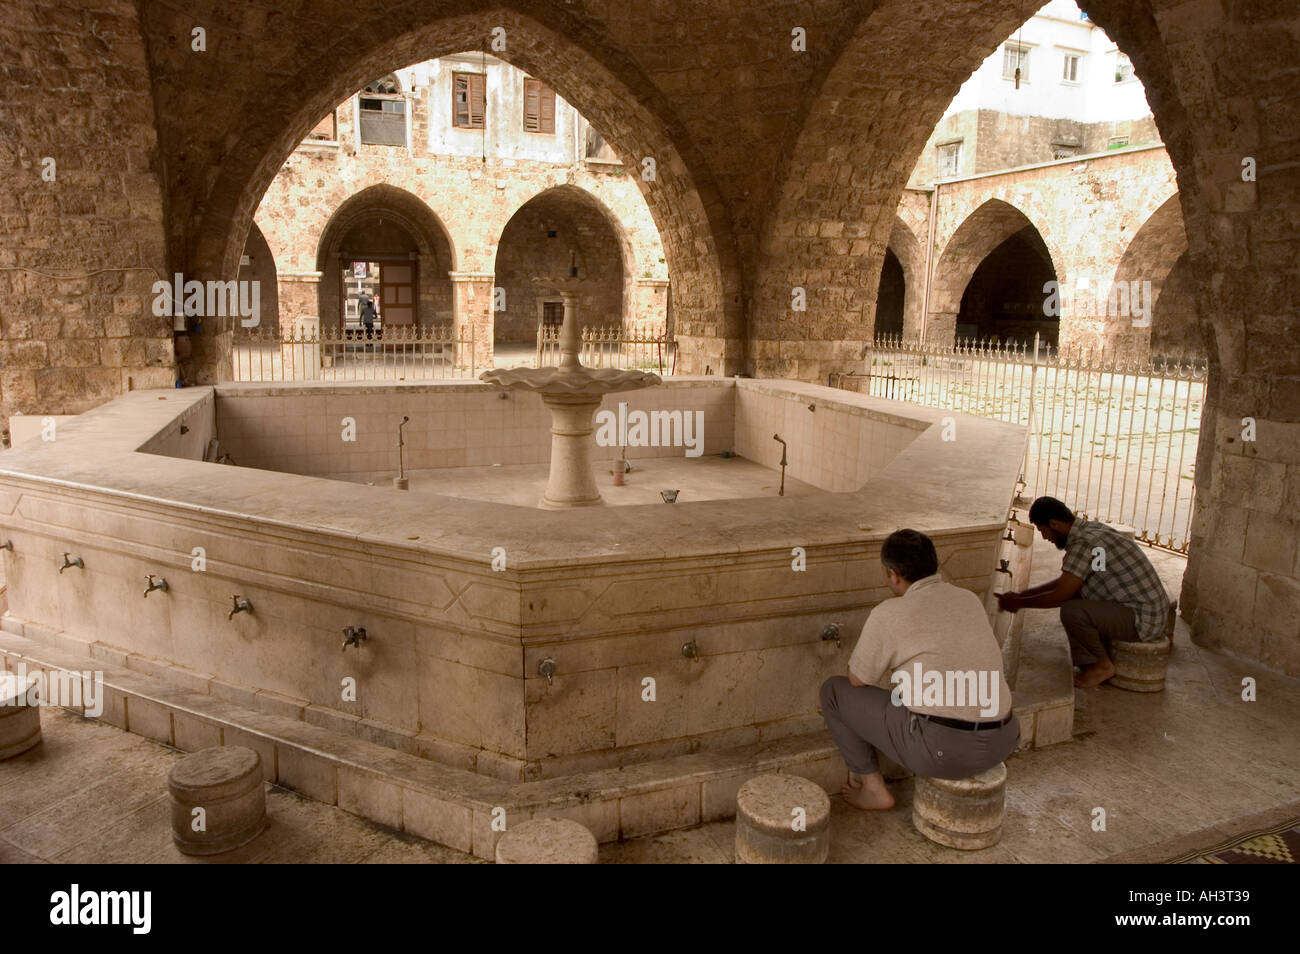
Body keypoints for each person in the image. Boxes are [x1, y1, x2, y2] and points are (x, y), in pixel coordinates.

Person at [820, 529, 1018, 812]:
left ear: (893, 574)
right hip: (1004, 739)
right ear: (934, 564)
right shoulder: (969, 599)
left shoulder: (888, 613)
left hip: (942, 752)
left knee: (833, 691)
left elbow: (858, 679)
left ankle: (873, 789)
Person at [997, 496, 1171, 689]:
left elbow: (1061, 594)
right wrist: (1021, 596)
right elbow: (1067, 583)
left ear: (1054, 524)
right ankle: (1095, 658)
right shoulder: (1091, 531)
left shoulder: (1084, 543)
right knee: (1078, 597)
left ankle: (1100, 666)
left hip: (1142, 618)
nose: (1045, 537)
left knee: (1073, 611)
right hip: (1148, 611)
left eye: (1043, 530)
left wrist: (1020, 603)